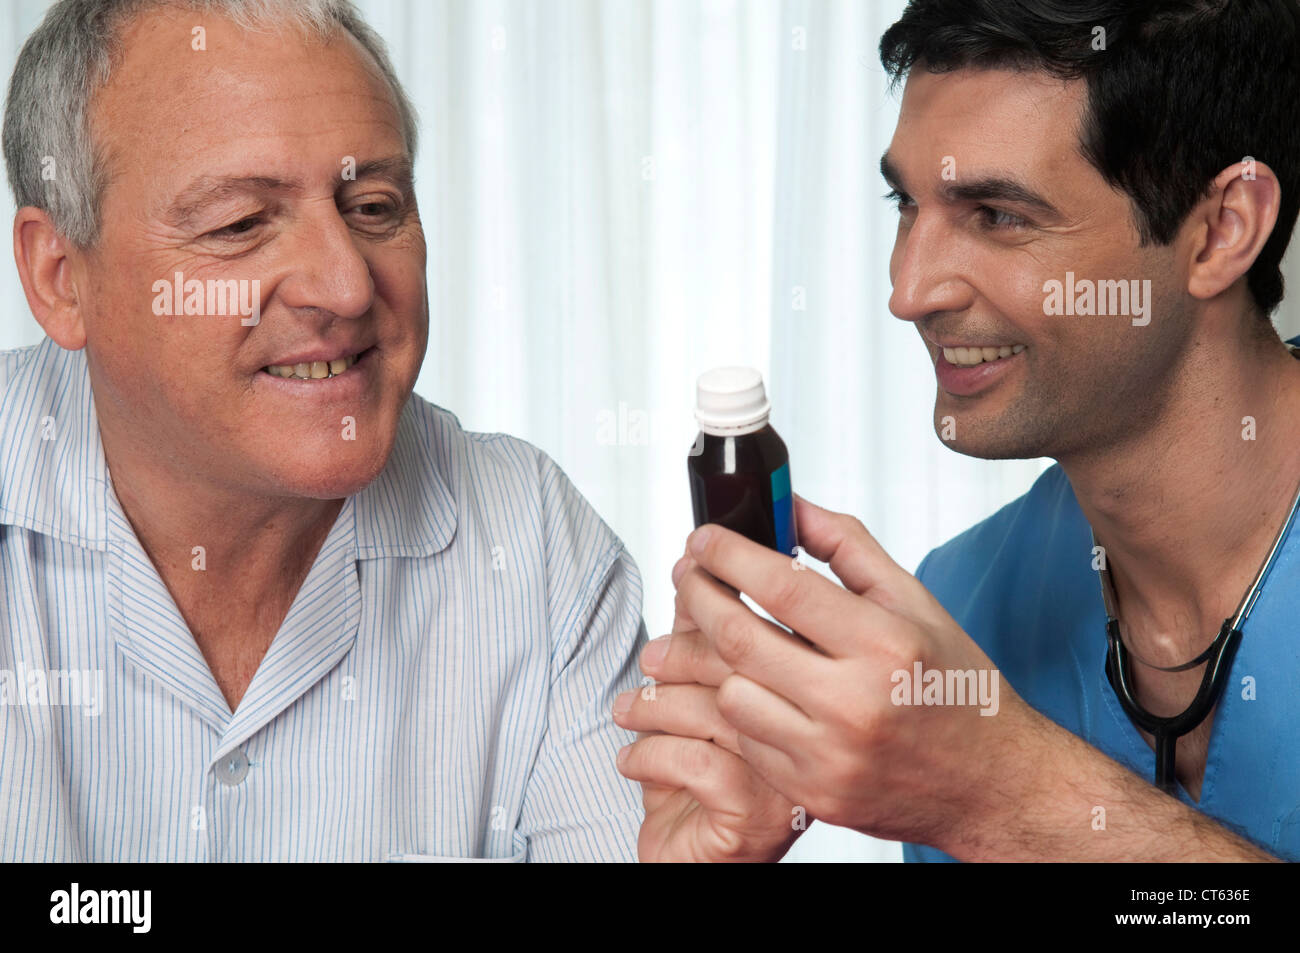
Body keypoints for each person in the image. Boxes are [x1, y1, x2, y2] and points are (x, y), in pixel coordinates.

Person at [615, 0, 1300, 862]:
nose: (909, 289)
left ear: (1221, 230)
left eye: (997, 216)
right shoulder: (964, 609)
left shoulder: (952, 698)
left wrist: (1001, 789)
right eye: (906, 202)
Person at [0, 0, 645, 862]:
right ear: (59, 278)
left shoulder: (534, 547)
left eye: (374, 206)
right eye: (239, 225)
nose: (345, 287)